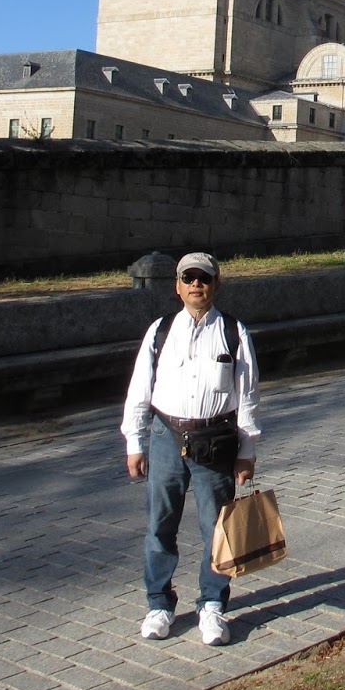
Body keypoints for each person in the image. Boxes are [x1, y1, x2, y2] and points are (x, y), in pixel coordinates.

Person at [122, 251, 260, 645]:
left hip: (215, 442)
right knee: (160, 525)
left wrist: (247, 451)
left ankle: (213, 605)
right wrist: (135, 441)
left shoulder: (234, 332)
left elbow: (248, 396)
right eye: (189, 278)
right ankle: (159, 604)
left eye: (204, 278)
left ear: (216, 284)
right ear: (177, 286)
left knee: (217, 529)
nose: (196, 284)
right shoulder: (161, 331)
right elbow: (139, 389)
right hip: (166, 438)